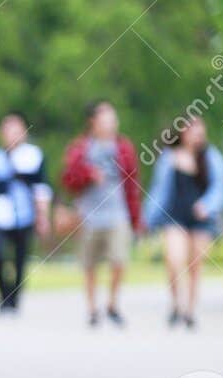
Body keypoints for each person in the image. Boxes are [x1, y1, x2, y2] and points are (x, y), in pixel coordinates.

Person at [61, 99, 142, 327]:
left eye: (113, 118)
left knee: (119, 260)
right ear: (93, 122)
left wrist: (136, 218)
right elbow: (67, 179)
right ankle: (92, 308)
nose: (111, 123)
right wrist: (88, 175)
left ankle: (112, 303)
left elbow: (133, 184)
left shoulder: (124, 147)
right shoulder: (80, 148)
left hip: (118, 212)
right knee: (89, 264)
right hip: (89, 214)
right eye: (106, 119)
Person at [145, 115, 223, 330]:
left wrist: (208, 206)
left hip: (200, 218)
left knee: (195, 265)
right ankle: (176, 304)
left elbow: (220, 186)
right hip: (175, 216)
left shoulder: (211, 157)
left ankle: (190, 310)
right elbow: (159, 190)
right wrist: (147, 217)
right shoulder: (169, 157)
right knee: (174, 260)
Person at [0, 111, 51, 314]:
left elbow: (41, 188)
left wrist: (43, 216)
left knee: (20, 258)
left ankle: (15, 298)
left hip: (25, 215)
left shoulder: (33, 156)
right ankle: (2, 294)